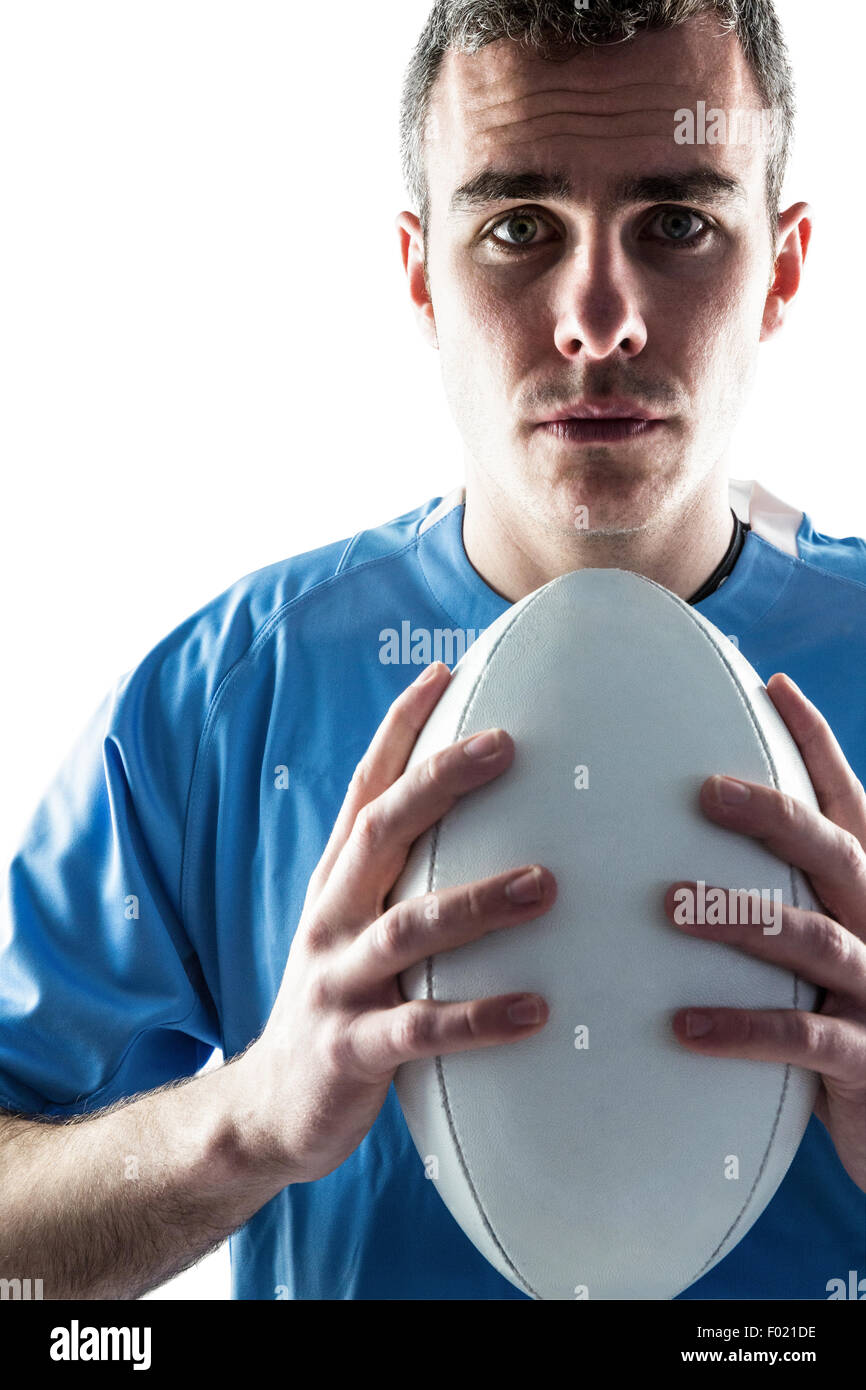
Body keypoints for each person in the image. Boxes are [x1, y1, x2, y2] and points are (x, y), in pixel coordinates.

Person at [0, 0, 863, 1301]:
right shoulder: (225, 700)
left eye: (675, 223)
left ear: (782, 269)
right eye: (517, 227)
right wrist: (241, 1124)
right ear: (419, 274)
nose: (597, 318)